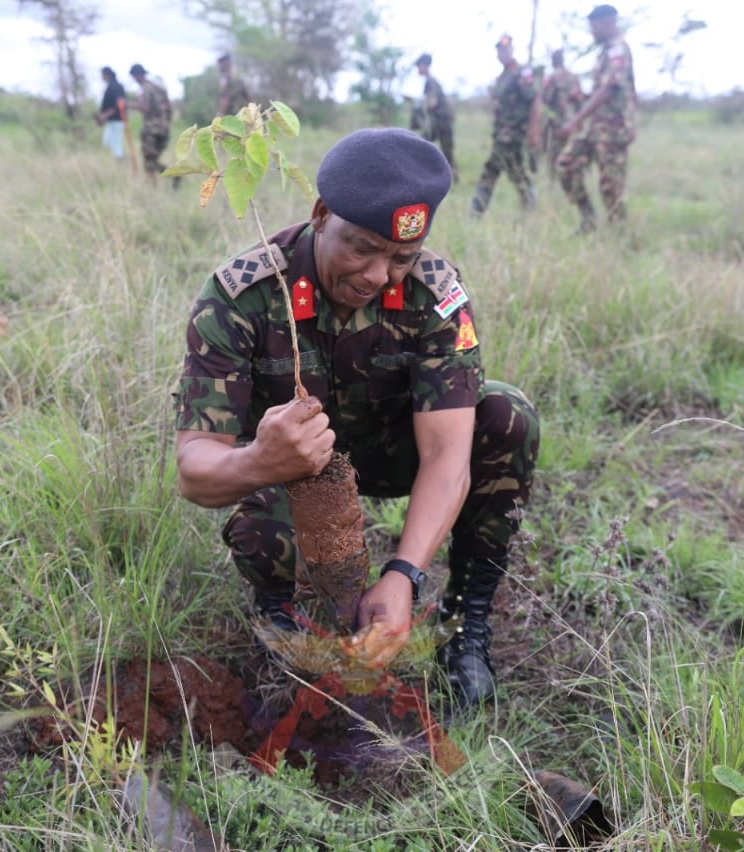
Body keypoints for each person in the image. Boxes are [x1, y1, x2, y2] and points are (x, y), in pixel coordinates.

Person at [173, 127, 540, 713]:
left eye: (401, 257)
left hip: (392, 450)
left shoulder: (435, 296)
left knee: (505, 415)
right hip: (290, 471)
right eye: (362, 248)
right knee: (266, 537)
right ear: (321, 215)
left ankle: (465, 623)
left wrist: (403, 575)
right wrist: (259, 461)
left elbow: (448, 457)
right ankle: (291, 616)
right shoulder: (243, 295)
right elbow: (195, 471)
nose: (377, 276)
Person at [555, 5, 636, 232]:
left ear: (608, 22)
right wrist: (583, 97)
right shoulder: (606, 52)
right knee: (566, 164)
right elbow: (605, 91)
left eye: (594, 27)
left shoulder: (618, 50)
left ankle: (619, 236)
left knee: (611, 184)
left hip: (613, 129)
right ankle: (588, 218)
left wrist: (575, 120)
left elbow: (610, 89)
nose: (592, 32)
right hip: (595, 127)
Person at [471, 34, 538, 215]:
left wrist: (533, 130)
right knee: (516, 171)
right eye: (499, 50)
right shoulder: (503, 76)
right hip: (502, 132)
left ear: (512, 50)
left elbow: (534, 99)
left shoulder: (521, 72)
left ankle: (476, 211)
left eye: (505, 49)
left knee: (491, 169)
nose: (502, 53)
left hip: (514, 132)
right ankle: (530, 203)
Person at [537, 49, 583, 178]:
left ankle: (554, 179)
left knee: (554, 155)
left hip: (556, 123)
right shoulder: (573, 78)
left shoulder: (552, 78)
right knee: (571, 153)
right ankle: (570, 178)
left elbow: (545, 99)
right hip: (572, 122)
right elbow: (580, 101)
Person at [413, 53, 458, 183]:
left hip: (442, 122)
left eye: (419, 66)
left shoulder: (431, 82)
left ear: (425, 66)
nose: (418, 70)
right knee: (441, 149)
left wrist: (417, 103)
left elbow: (432, 103)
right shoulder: (430, 81)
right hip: (439, 122)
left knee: (444, 150)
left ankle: (450, 178)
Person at [128, 63, 172, 179]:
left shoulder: (147, 88)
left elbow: (144, 107)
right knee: (152, 160)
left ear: (137, 75)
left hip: (152, 129)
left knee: (149, 161)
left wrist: (127, 104)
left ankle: (152, 186)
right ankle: (174, 176)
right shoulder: (156, 87)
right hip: (164, 129)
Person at [95, 66, 127, 161]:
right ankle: (119, 160)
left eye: (102, 75)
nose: (101, 77)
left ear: (107, 74)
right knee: (107, 142)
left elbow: (119, 103)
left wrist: (105, 115)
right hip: (111, 121)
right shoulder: (110, 86)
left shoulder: (115, 86)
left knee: (116, 145)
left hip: (117, 120)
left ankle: (121, 163)